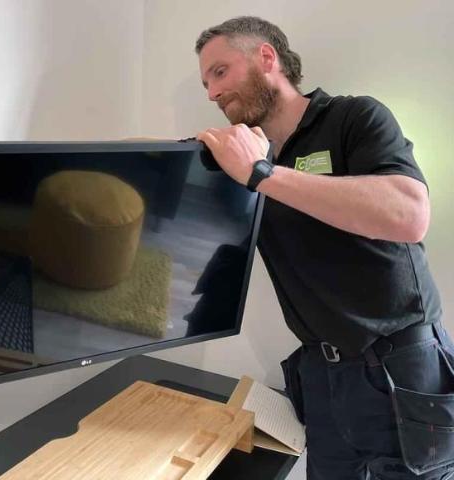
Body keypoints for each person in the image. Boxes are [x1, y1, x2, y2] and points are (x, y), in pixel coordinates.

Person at [194, 16, 454, 479]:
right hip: (321, 375)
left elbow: (410, 215)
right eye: (206, 83)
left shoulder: (354, 117)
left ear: (266, 57)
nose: (212, 93)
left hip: (402, 370)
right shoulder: (245, 153)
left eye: (219, 72)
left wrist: (262, 174)